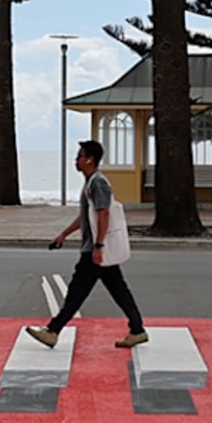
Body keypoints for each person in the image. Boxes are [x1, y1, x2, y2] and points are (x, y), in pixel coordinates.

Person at [26, 140, 148, 349]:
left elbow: (104, 213)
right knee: (119, 290)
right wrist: (64, 234)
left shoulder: (97, 182)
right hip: (96, 249)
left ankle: (53, 331)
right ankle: (137, 330)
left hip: (94, 250)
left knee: (76, 292)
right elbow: (86, 216)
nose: (77, 160)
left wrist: (99, 246)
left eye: (79, 156)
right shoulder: (91, 181)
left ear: (89, 159)